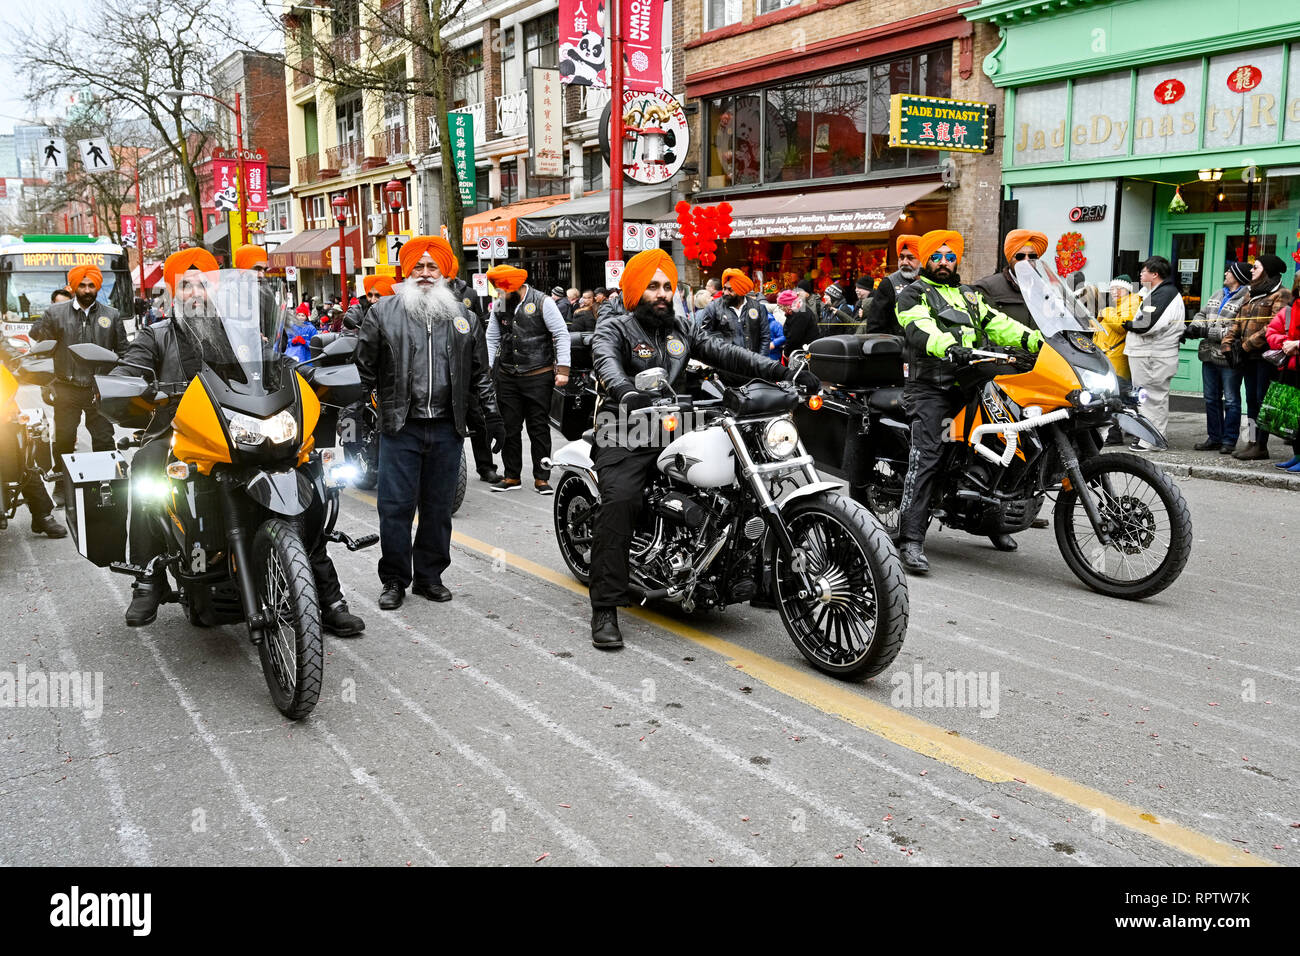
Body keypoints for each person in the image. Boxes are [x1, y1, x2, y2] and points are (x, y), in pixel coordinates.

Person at [115, 249, 365, 636]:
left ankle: (327, 596)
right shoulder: (156, 334)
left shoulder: (235, 329)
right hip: (180, 431)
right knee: (146, 467)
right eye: (186, 284)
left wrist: (300, 375)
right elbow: (130, 367)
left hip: (237, 427)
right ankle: (148, 575)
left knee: (308, 468)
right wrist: (136, 386)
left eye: (202, 284)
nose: (195, 291)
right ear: (172, 290)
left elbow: (271, 364)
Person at [587, 248, 821, 648]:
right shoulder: (616, 327)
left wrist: (783, 371)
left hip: (677, 421)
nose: (662, 294)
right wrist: (626, 391)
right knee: (621, 499)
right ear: (634, 291)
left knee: (741, 481)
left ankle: (761, 578)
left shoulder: (680, 329)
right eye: (652, 287)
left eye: (667, 287)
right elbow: (604, 360)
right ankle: (605, 607)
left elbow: (729, 353)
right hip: (625, 427)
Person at [356, 237, 504, 610]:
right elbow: (364, 367)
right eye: (418, 267)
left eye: (431, 267)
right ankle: (394, 579)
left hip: (446, 427)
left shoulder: (465, 318)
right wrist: (369, 407)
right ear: (407, 271)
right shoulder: (382, 312)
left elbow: (479, 374)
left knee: (438, 508)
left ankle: (429, 576)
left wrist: (493, 419)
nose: (424, 274)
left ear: (444, 272)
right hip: (400, 426)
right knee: (395, 507)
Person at [894, 230, 1043, 574]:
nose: (944, 262)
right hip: (932, 387)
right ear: (926, 259)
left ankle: (994, 520)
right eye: (937, 256)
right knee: (928, 454)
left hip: (970, 382)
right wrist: (947, 345)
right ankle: (911, 539)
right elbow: (919, 328)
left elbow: (1000, 323)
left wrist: (1039, 341)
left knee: (1006, 439)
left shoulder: (968, 296)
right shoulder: (913, 293)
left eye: (950, 257)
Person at [30, 263, 127, 505]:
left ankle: (107, 483)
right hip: (66, 387)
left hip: (99, 388)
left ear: (97, 287)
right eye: (81, 285)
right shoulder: (55, 314)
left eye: (91, 285)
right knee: (63, 438)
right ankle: (62, 486)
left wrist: (119, 382)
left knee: (104, 439)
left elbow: (124, 351)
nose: (86, 290)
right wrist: (46, 383)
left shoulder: (111, 315)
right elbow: (42, 350)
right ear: (73, 287)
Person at [484, 263, 570, 494]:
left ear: (515, 286)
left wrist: (563, 370)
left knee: (538, 428)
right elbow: (492, 337)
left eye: (501, 288)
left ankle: (542, 477)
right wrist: (489, 368)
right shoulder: (501, 303)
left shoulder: (543, 302)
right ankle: (512, 476)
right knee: (509, 427)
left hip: (538, 374)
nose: (498, 293)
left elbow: (561, 334)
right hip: (507, 376)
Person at [1224, 254, 1293, 460]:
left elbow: (1272, 326)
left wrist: (1245, 345)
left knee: (1262, 400)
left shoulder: (1282, 294)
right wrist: (1228, 342)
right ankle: (1252, 441)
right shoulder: (1250, 293)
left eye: (1256, 267)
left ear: (1267, 270)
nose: (1251, 270)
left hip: (1265, 358)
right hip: (1248, 357)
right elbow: (1238, 320)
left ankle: (1261, 445)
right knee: (1251, 401)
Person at [1183, 261, 1250, 453]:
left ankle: (1229, 440)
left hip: (1229, 357)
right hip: (1208, 356)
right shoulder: (1218, 293)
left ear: (1238, 277)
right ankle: (1214, 438)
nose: (1226, 273)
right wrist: (1195, 326)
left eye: (1229, 271)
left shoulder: (1246, 298)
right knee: (1211, 399)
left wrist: (1205, 331)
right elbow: (1202, 313)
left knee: (1231, 400)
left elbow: (1236, 330)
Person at [1124, 256, 1185, 450]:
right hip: (1148, 353)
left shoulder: (1165, 293)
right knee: (1146, 398)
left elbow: (1146, 325)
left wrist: (1128, 324)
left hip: (1153, 355)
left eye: (1144, 271)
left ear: (1155, 274)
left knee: (1152, 398)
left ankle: (1154, 440)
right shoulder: (1156, 292)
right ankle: (1146, 436)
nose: (1140, 274)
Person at [447, 273, 503, 484]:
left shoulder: (469, 293)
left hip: (466, 369)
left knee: (478, 421)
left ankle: (486, 467)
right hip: (443, 373)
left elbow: (479, 322)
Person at [1093, 276, 1138, 445]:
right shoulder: (1118, 307)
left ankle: (1115, 434)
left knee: (1116, 398)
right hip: (1107, 358)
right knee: (1119, 397)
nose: (1115, 292)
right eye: (1112, 289)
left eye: (1119, 289)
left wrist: (1106, 312)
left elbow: (1121, 326)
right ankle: (1125, 432)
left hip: (1116, 360)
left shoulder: (1130, 304)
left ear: (1128, 291)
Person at [973, 229, 1049, 328]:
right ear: (1010, 259)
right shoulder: (987, 287)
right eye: (1020, 256)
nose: (1026, 260)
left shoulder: (1045, 289)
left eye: (1032, 256)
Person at [859, 234, 921, 336]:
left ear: (922, 260)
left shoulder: (930, 282)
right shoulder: (889, 283)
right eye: (901, 257)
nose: (904, 262)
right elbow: (875, 326)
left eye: (910, 258)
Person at [1265, 291, 1300, 471]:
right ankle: (1297, 455)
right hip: (1290, 368)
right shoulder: (1289, 310)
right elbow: (1271, 332)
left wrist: (1297, 344)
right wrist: (1287, 342)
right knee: (1292, 414)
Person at [698, 268, 770, 355]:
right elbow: (704, 336)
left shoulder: (758, 308)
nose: (725, 293)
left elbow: (765, 338)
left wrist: (760, 362)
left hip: (751, 363)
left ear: (740, 291)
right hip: (724, 364)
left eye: (730, 290)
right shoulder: (713, 307)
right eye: (724, 288)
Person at [779, 288, 821, 361]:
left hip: (802, 353)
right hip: (801, 351)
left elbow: (794, 337)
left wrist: (786, 353)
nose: (781, 308)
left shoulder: (800, 313)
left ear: (788, 304)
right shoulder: (797, 310)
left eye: (782, 306)